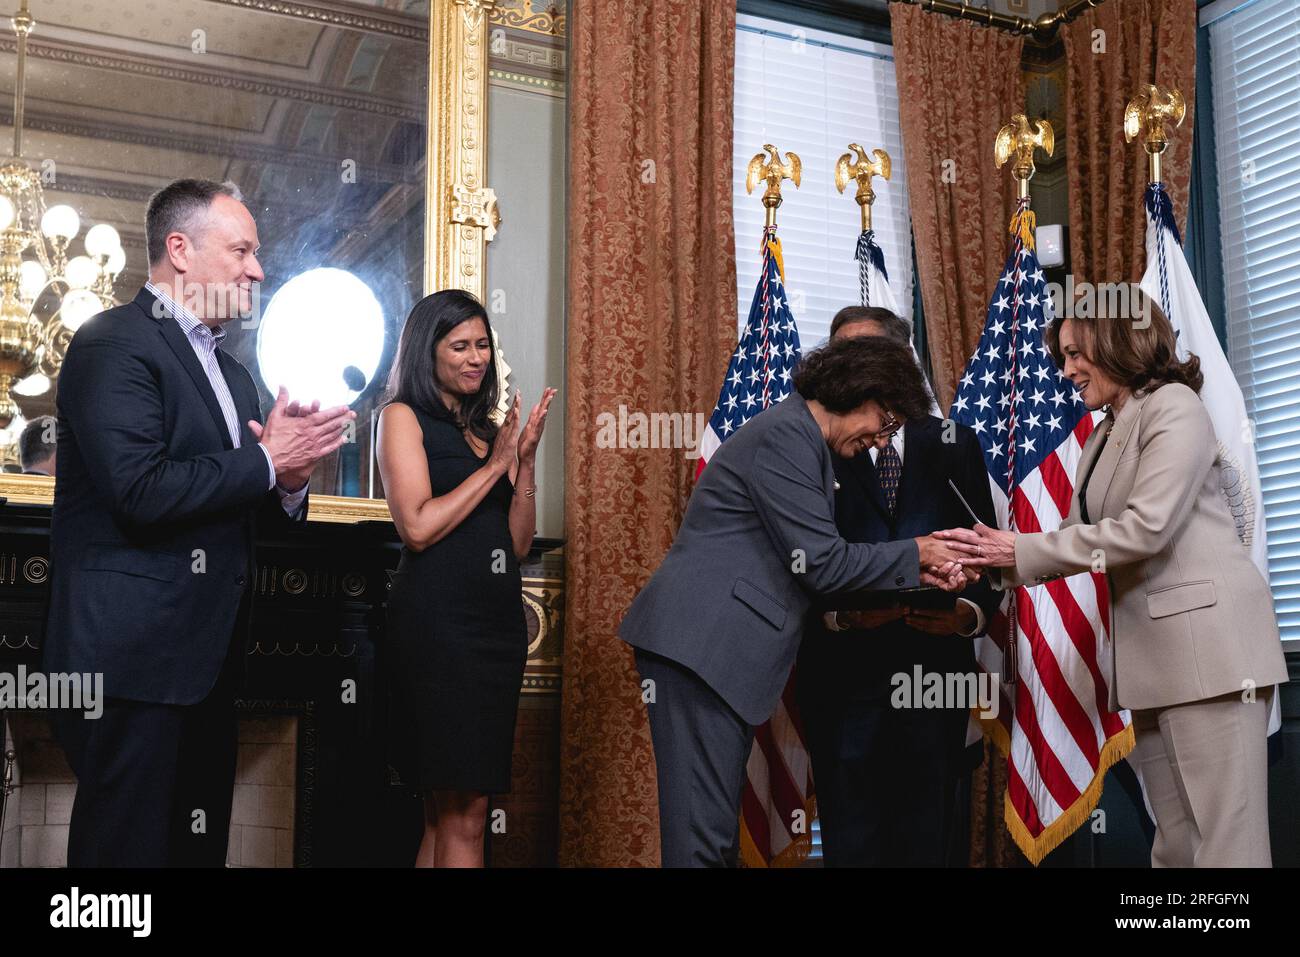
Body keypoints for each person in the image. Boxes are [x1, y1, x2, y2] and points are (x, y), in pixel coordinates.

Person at [44, 178, 355, 867]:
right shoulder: (111, 343)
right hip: (128, 664)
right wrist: (267, 461)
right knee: (122, 866)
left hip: (208, 665)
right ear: (179, 250)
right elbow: (140, 490)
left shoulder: (238, 376)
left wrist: (290, 481)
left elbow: (239, 510)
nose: (258, 268)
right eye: (241, 249)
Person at [938, 296, 1288, 867]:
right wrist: (985, 562)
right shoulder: (1102, 436)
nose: (1068, 369)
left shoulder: (1175, 407)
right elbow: (1074, 539)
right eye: (1063, 356)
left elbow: (1144, 530)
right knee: (1175, 847)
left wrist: (1019, 550)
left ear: (1120, 341)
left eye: (1077, 354)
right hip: (1154, 667)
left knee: (1228, 849)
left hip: (1213, 660)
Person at [619, 334, 977, 867]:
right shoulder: (787, 438)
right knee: (701, 843)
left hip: (715, 657)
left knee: (711, 837)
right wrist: (920, 552)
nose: (882, 442)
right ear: (863, 393)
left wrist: (915, 569)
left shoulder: (801, 441)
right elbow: (822, 562)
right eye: (886, 423)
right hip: (702, 651)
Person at [796, 307, 1002, 867]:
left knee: (928, 846)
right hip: (843, 683)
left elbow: (988, 555)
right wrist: (841, 618)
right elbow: (795, 563)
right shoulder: (813, 443)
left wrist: (965, 615)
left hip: (934, 683)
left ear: (899, 363)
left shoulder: (956, 442)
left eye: (857, 356)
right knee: (853, 846)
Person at [377, 289, 556, 868]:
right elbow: (419, 527)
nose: (475, 357)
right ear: (427, 353)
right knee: (466, 814)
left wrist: (523, 463)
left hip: (495, 632)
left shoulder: (490, 431)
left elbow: (519, 543)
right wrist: (495, 468)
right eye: (460, 345)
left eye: (483, 344)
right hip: (437, 630)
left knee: (446, 814)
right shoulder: (402, 418)